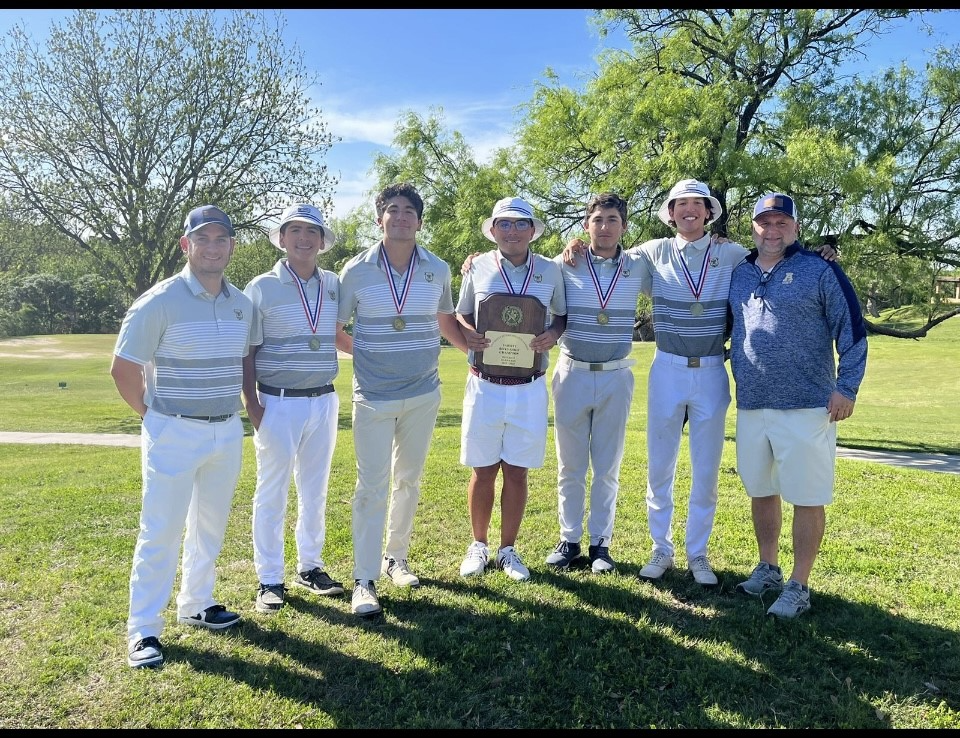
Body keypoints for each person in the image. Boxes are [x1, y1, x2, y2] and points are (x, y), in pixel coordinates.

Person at [564, 180, 837, 587]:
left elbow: (774, 248)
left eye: (698, 204)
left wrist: (819, 252)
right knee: (661, 463)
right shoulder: (651, 252)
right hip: (667, 368)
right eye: (681, 205)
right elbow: (608, 252)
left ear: (709, 213)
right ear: (670, 213)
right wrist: (575, 244)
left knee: (705, 468)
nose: (689, 211)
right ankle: (661, 548)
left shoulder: (730, 253)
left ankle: (698, 553)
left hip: (711, 369)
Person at [111, 205, 253, 669]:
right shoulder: (159, 300)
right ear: (185, 245)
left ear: (233, 245)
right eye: (203, 238)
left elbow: (242, 361)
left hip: (225, 431)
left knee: (210, 526)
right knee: (161, 531)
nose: (212, 247)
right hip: (173, 429)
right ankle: (143, 630)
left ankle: (196, 604)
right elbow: (123, 368)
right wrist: (153, 418)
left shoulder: (241, 304)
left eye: (221, 239)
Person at [729, 192, 867, 618]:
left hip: (807, 405)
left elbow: (853, 332)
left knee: (807, 497)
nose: (772, 231)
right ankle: (768, 568)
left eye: (781, 223)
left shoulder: (821, 269)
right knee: (761, 490)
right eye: (764, 223)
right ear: (753, 227)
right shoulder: (739, 273)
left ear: (795, 228)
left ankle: (799, 584)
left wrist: (847, 387)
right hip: (752, 404)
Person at [337, 182, 468, 618]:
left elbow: (446, 321)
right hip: (373, 396)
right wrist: (367, 353)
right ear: (380, 219)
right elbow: (337, 328)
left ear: (419, 220)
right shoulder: (354, 271)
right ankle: (363, 579)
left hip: (423, 392)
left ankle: (396, 558)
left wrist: (478, 349)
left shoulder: (438, 268)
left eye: (409, 210)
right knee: (371, 487)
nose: (401, 216)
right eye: (392, 209)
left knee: (407, 481)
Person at [242, 203, 353, 614]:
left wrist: (376, 354)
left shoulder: (333, 284)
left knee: (314, 488)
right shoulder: (262, 286)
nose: (304, 239)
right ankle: (270, 578)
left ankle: (311, 567)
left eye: (312, 232)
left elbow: (338, 336)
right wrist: (252, 403)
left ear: (322, 242)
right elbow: (247, 351)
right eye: (295, 231)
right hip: (277, 401)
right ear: (282, 239)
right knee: (271, 492)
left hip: (323, 400)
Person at [456, 196, 567, 582]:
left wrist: (552, 334)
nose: (513, 231)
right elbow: (462, 312)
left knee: (517, 472)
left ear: (533, 230)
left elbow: (562, 317)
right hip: (484, 383)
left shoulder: (551, 270)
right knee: (483, 469)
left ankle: (508, 550)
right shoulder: (478, 266)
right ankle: (479, 545)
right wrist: (468, 332)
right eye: (505, 224)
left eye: (521, 224)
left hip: (528, 385)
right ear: (494, 230)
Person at [545, 192, 647, 574]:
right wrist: (477, 261)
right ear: (586, 225)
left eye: (613, 220)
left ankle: (600, 545)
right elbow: (526, 274)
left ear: (623, 226)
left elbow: (681, 263)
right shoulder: (563, 264)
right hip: (572, 372)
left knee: (607, 466)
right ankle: (569, 539)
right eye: (598, 220)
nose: (605, 227)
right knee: (570, 465)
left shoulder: (639, 266)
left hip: (616, 376)